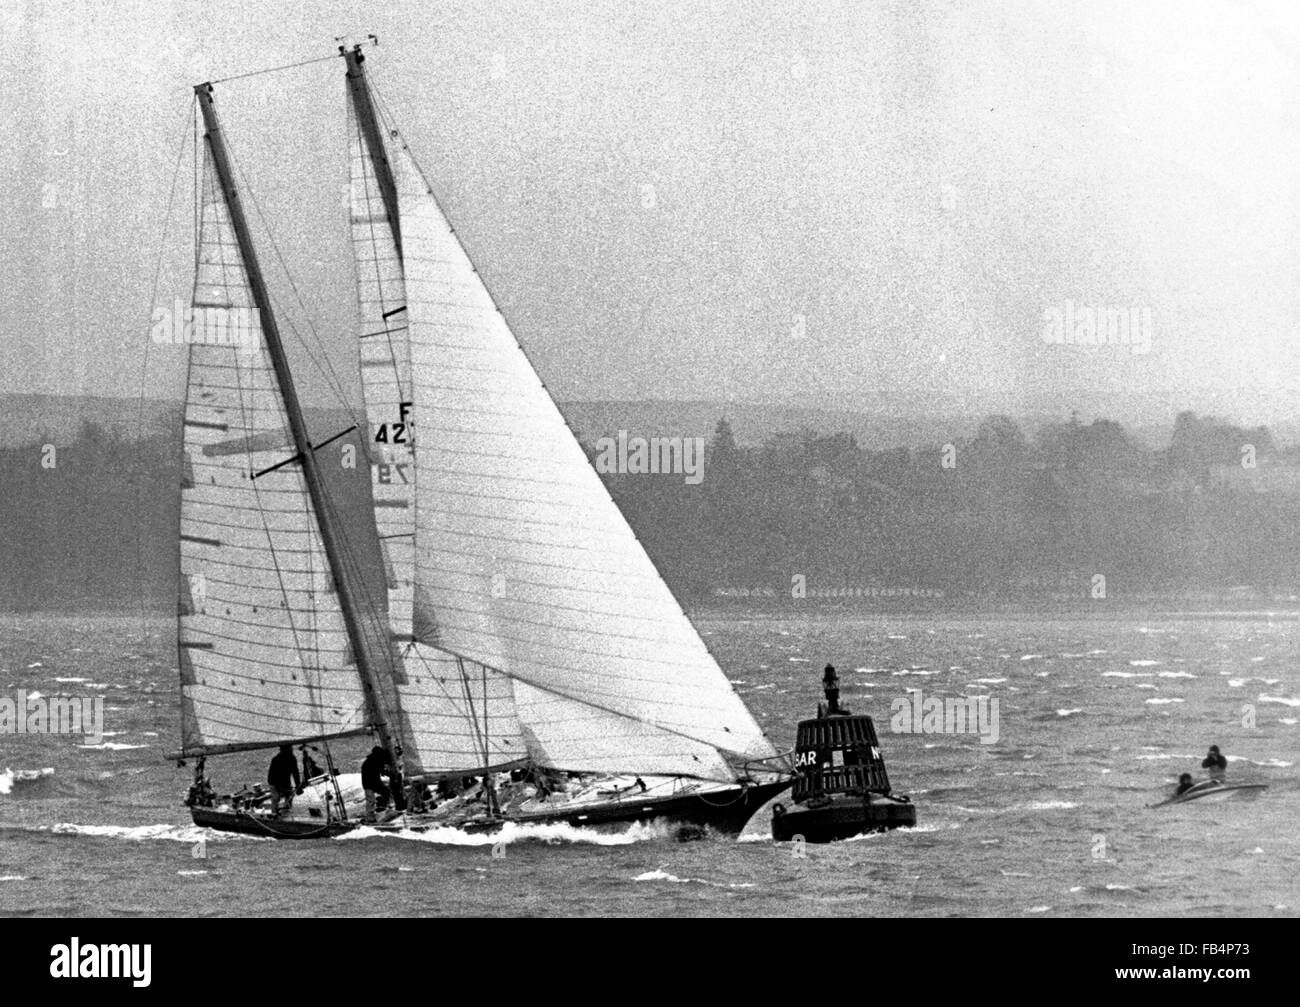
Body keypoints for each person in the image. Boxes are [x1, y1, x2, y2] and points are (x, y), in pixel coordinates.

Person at [361, 746, 394, 822]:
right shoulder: (372, 762)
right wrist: (389, 773)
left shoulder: (372, 760)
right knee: (371, 800)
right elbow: (382, 771)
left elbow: (381, 770)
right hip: (369, 784)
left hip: (373, 783)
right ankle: (370, 817)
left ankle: (381, 808)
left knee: (385, 792)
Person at [267, 744, 300, 817]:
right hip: (274, 783)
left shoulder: (292, 758)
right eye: (290, 749)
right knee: (276, 797)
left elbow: (295, 773)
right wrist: (277, 787)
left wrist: (298, 785)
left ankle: (286, 811)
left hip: (285, 783)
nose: (291, 750)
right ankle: (274, 813)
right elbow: (270, 777)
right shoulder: (276, 759)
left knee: (290, 795)